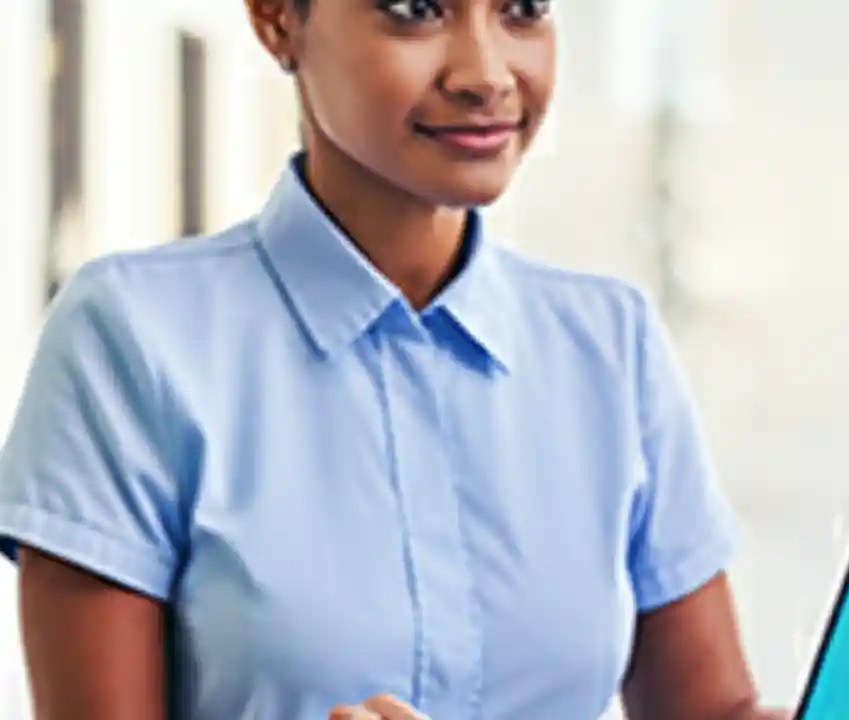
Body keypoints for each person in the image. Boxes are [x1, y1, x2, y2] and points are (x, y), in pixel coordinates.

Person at [0, 1, 789, 718]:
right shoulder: (133, 336)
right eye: (415, 10)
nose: (485, 75)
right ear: (277, 20)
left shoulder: (612, 342)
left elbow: (711, 715)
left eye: (523, 10)